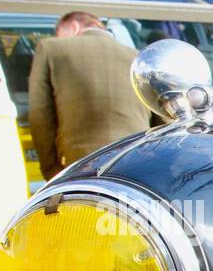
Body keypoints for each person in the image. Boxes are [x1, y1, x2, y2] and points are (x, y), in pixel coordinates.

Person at [27, 12, 151, 183]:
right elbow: (161, 118)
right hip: (138, 164)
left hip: (80, 165)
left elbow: (40, 115)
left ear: (74, 27)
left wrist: (51, 171)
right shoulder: (138, 57)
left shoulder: (50, 48)